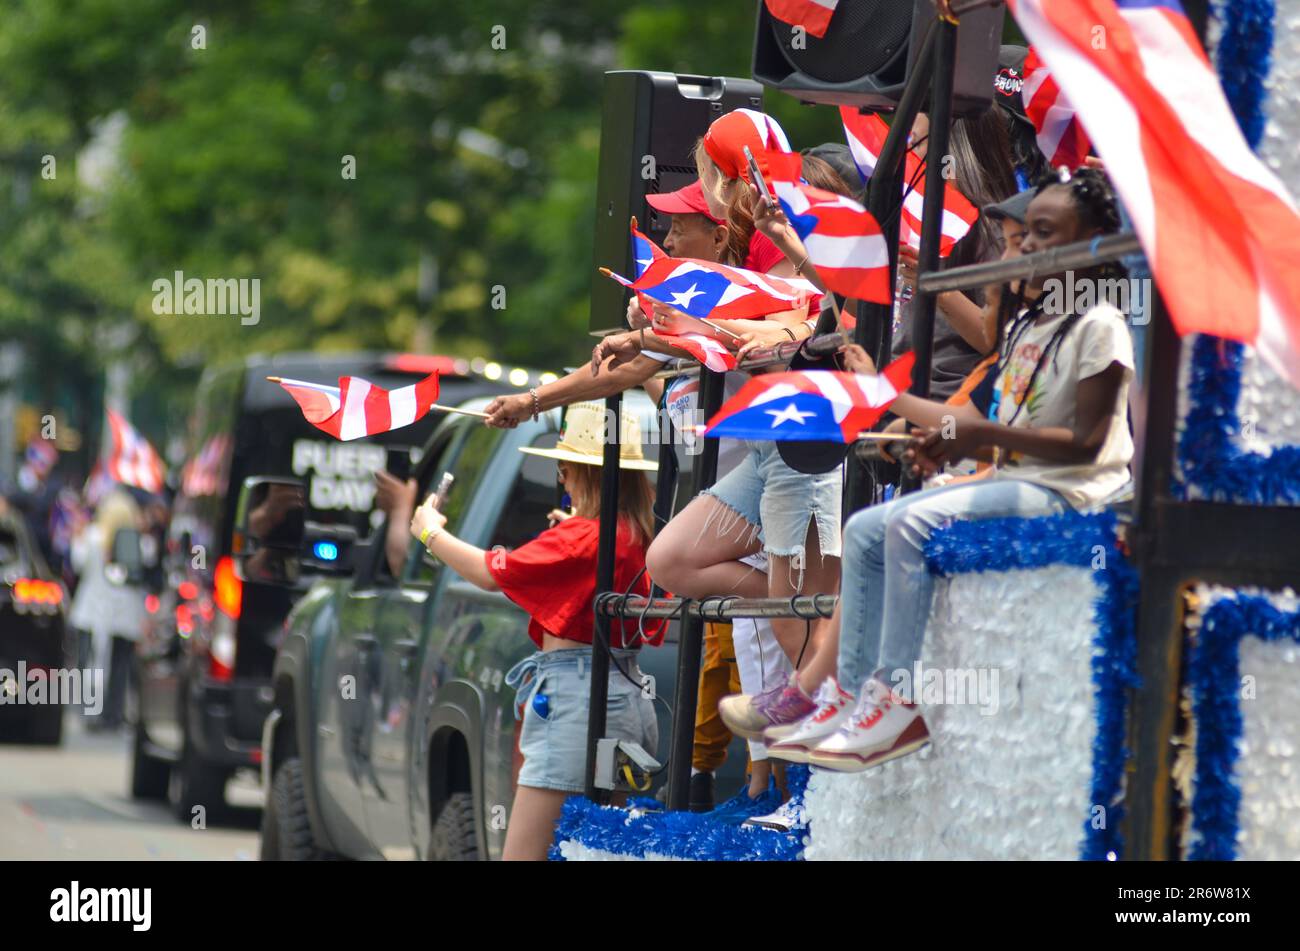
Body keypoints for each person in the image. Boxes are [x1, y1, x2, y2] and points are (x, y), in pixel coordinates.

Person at [730, 167, 1134, 771]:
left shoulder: (1099, 323)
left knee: (909, 526)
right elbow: (963, 419)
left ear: (1091, 244)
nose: (1022, 251)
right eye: (1021, 240)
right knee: (867, 528)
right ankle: (844, 698)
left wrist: (978, 437)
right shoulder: (1028, 326)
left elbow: (1086, 446)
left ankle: (896, 702)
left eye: (1041, 236)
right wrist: (883, 395)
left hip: (1074, 494)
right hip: (1016, 483)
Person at [409, 401, 660, 860]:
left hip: (576, 702)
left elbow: (489, 572)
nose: (560, 479)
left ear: (581, 474)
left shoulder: (582, 538)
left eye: (563, 469)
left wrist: (430, 533)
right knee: (600, 851)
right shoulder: (633, 532)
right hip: (626, 698)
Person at [68, 488, 148, 730]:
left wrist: (76, 536)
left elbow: (77, 563)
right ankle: (114, 713)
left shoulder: (92, 537)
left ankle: (93, 711)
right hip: (125, 615)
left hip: (93, 612)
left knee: (92, 662)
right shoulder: (138, 541)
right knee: (119, 665)